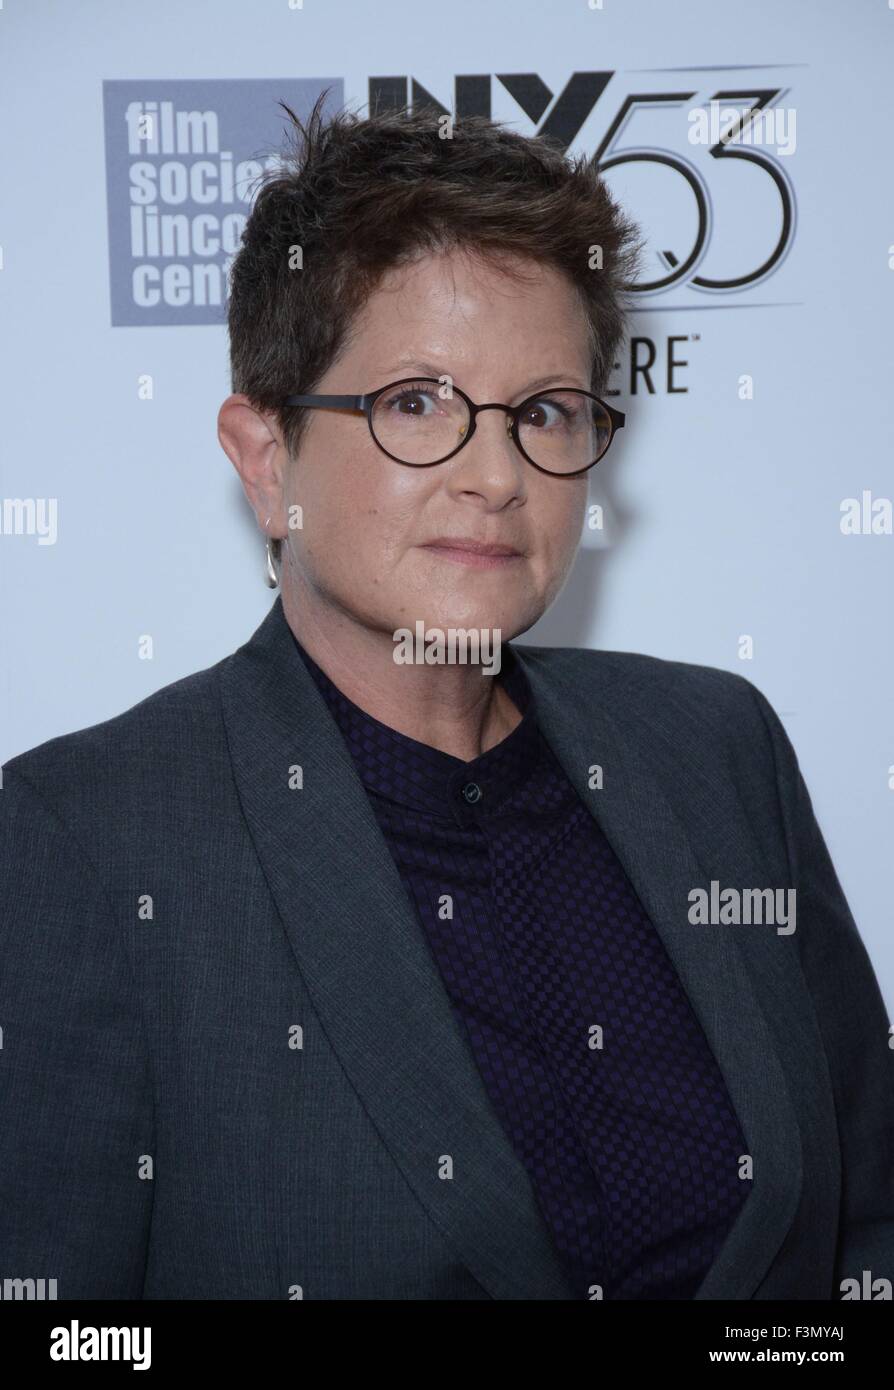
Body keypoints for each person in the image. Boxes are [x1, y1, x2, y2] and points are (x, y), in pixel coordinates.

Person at [1, 93, 892, 1302]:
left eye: (543, 412)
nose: (494, 474)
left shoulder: (716, 747)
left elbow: (862, 1222)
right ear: (270, 464)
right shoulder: (86, 836)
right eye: (414, 402)